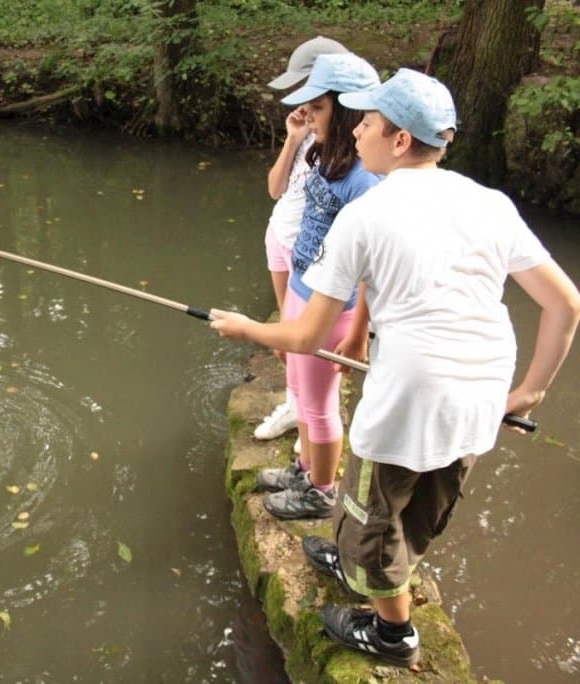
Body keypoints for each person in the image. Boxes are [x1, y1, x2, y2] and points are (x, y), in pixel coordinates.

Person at [210, 68, 580, 667]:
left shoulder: (367, 215)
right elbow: (565, 303)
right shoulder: (487, 201)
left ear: (401, 139)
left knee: (374, 509)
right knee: (426, 503)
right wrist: (531, 391)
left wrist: (244, 327)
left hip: (411, 396)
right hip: (483, 389)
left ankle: (391, 632)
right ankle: (362, 564)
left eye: (370, 123)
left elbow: (305, 334)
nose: (357, 133)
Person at [252, 52, 382, 521]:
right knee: (301, 393)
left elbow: (371, 265)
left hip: (334, 308)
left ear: (347, 112)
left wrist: (359, 331)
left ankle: (321, 491)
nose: (308, 114)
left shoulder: (366, 179)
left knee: (321, 404)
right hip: (303, 286)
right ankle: (306, 469)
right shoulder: (323, 151)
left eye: (319, 107)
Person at [254, 36, 349, 453]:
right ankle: (298, 406)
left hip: (311, 254)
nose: (303, 103)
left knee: (310, 342)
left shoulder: (351, 143)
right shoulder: (305, 130)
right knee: (282, 343)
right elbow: (275, 190)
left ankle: (318, 419)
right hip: (280, 237)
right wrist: (293, 138)